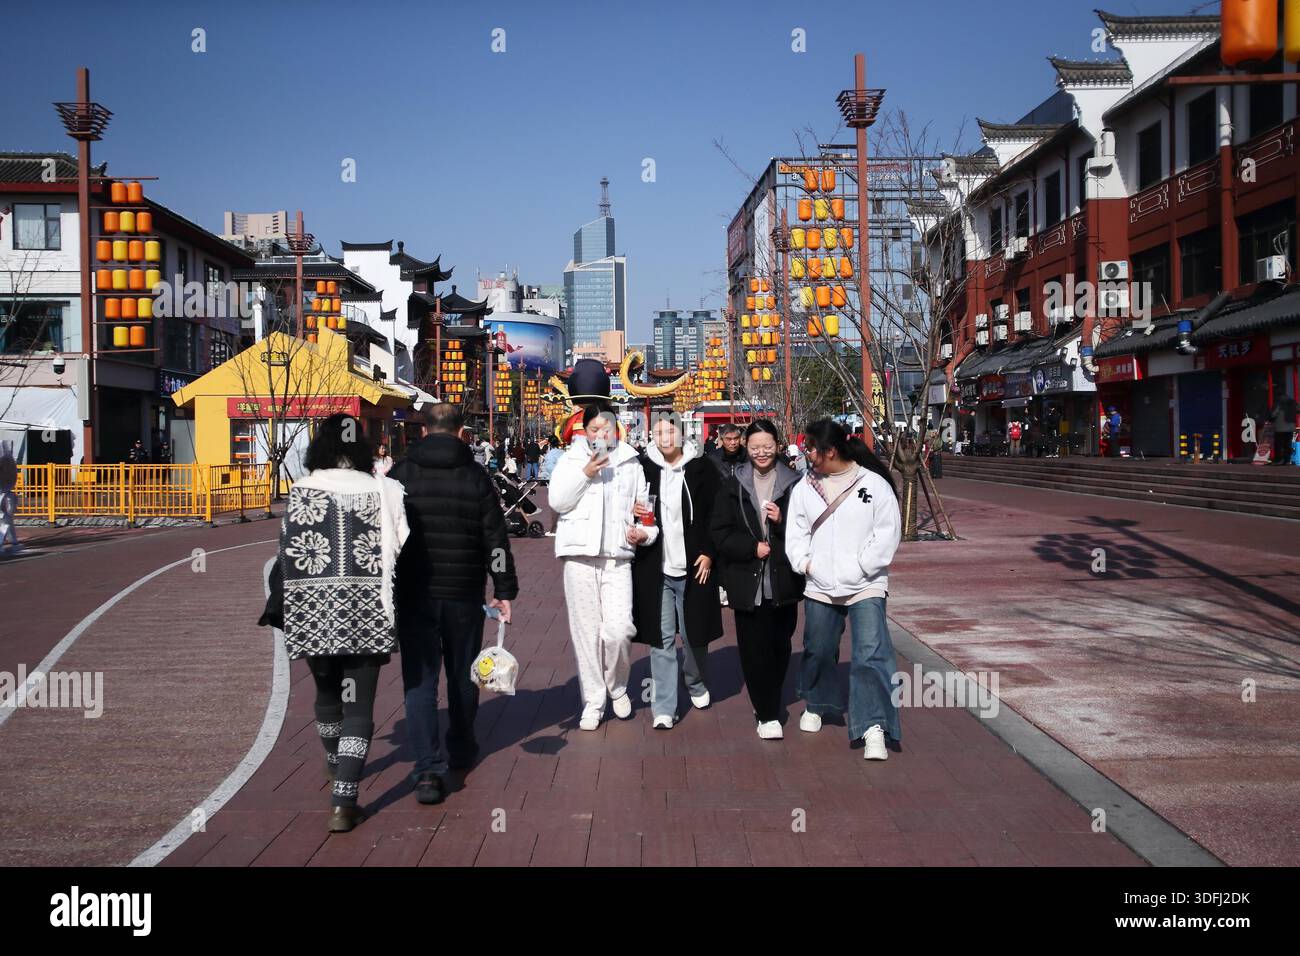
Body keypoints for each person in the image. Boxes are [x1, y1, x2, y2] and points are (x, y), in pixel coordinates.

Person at [258, 414, 409, 832]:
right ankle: (345, 801)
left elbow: (286, 553)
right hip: (368, 611)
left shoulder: (302, 490)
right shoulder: (382, 490)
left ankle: (333, 760)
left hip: (312, 611)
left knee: (327, 691)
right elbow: (402, 546)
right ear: (360, 446)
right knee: (359, 705)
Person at [389, 403, 518, 804]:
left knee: (420, 680)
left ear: (423, 431)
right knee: (464, 673)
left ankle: (428, 769)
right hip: (464, 592)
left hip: (414, 594)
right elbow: (494, 537)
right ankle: (461, 745)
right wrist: (503, 589)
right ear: (463, 432)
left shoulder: (400, 475)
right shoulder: (476, 476)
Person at [785, 419, 902, 761]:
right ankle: (819, 703)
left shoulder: (874, 484)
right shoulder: (805, 486)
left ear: (830, 451)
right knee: (818, 648)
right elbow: (796, 533)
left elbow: (887, 531)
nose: (806, 452)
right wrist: (807, 564)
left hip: (866, 584)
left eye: (810, 447)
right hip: (820, 584)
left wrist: (864, 565)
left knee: (870, 655)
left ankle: (874, 726)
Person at [549, 404, 659, 730]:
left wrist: (645, 533)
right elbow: (557, 502)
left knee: (619, 630)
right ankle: (594, 702)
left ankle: (618, 685)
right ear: (585, 430)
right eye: (594, 429)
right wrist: (586, 473)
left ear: (616, 429)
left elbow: (647, 513)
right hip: (579, 558)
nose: (601, 434)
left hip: (617, 559)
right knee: (586, 635)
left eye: (606, 428)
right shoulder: (570, 460)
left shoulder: (630, 462)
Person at [711, 420, 804, 739]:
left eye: (767, 447)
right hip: (747, 581)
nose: (761, 453)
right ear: (746, 448)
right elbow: (720, 532)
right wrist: (752, 547)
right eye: (755, 447)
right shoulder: (733, 483)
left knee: (780, 645)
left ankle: (771, 698)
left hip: (783, 580)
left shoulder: (794, 483)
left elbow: (807, 530)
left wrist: (782, 523)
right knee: (753, 649)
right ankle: (766, 713)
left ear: (777, 445)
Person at [632, 414, 722, 729]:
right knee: (661, 639)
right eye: (657, 431)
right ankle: (664, 706)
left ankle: (695, 682)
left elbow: (716, 514)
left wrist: (710, 553)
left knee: (695, 636)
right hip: (656, 568)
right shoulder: (644, 470)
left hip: (695, 567)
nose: (664, 436)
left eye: (669, 430)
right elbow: (632, 505)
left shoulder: (702, 468)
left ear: (682, 433)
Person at [0, 441, 20, 554]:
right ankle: (12, 542)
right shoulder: (7, 460)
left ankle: (13, 541)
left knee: (6, 519)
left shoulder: (6, 460)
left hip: (5, 492)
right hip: (5, 492)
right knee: (6, 519)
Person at [1270, 394, 1297, 464]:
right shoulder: (1293, 403)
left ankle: (1278, 460)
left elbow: (1273, 414)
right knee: (1288, 445)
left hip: (1280, 428)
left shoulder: (1279, 403)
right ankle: (1287, 460)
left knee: (1278, 445)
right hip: (1290, 428)